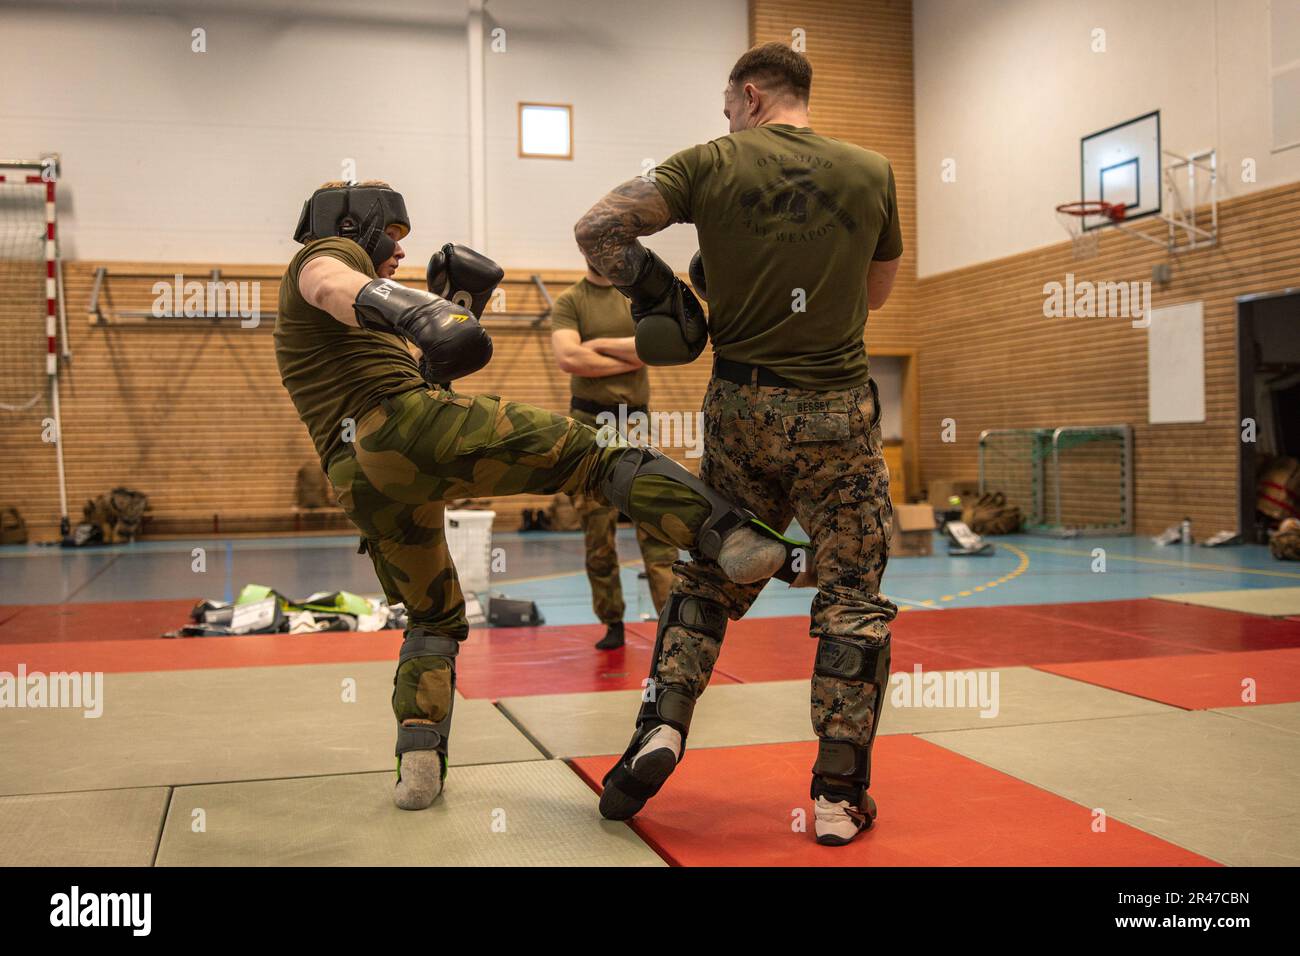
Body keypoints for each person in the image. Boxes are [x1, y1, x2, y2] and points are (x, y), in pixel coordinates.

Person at [275, 179, 805, 811]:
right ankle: (735, 538)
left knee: (432, 617)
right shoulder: (327, 257)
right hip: (399, 427)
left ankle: (418, 764)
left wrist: (436, 315)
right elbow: (329, 283)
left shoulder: (346, 330)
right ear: (356, 226)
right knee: (595, 455)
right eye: (390, 238)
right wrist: (415, 309)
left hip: (358, 480)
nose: (397, 253)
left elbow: (403, 363)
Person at [574, 41, 903, 846]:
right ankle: (835, 796)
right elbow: (878, 294)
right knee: (853, 594)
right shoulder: (873, 170)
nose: (726, 119)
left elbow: (598, 229)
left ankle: (660, 731)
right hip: (836, 414)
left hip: (739, 409)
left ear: (751, 96)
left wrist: (664, 293)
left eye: (728, 107)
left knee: (709, 575)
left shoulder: (709, 163)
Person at [550, 259, 678, 649]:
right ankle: (612, 622)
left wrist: (597, 345)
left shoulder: (638, 296)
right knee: (597, 532)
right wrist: (628, 352)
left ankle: (671, 626)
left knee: (658, 527)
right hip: (589, 424)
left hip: (636, 423)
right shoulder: (571, 300)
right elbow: (570, 358)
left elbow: (652, 351)